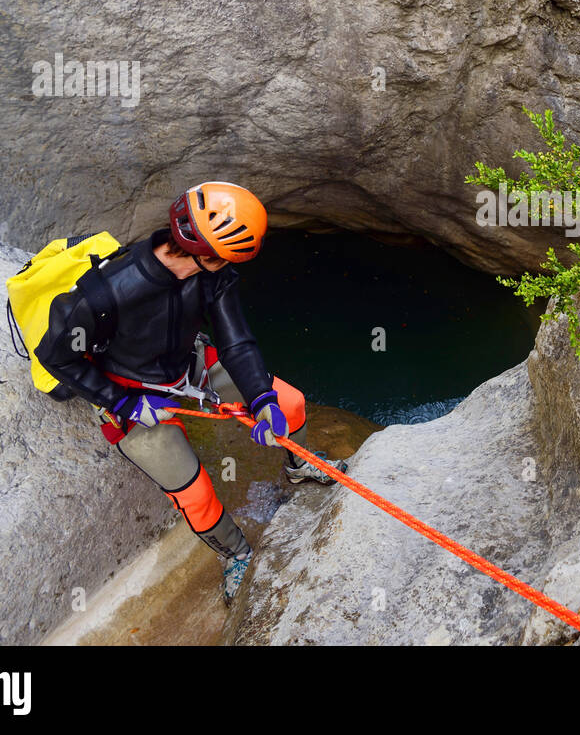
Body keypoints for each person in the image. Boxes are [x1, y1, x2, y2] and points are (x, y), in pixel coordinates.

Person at [35, 181, 347, 602]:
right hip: (131, 393)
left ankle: (299, 466)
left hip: (188, 362)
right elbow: (56, 356)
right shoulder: (103, 293)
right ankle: (236, 555)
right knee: (193, 491)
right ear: (208, 254)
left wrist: (262, 399)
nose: (231, 265)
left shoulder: (211, 276)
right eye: (229, 257)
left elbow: (236, 342)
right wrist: (124, 403)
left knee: (287, 403)